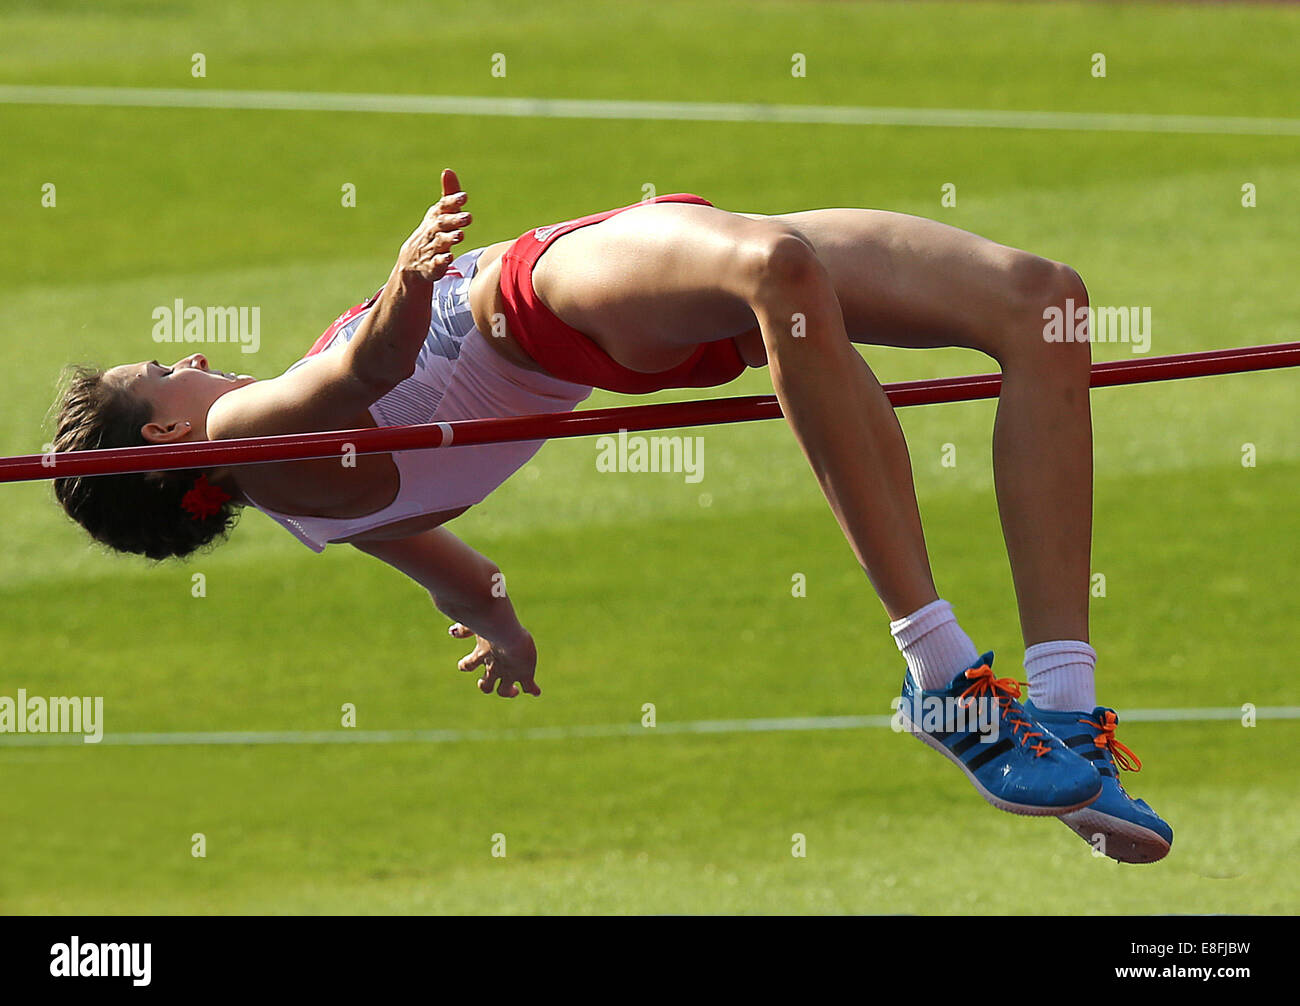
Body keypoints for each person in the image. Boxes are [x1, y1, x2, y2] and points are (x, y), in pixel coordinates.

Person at [49, 169, 1171, 863]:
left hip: (617, 306)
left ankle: (1064, 713)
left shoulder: (326, 516)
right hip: (536, 302)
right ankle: (939, 670)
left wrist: (500, 626)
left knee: (1046, 307)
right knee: (777, 264)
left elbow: (460, 573)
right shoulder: (249, 435)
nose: (191, 357)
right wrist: (402, 282)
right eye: (165, 368)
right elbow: (355, 374)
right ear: (163, 440)